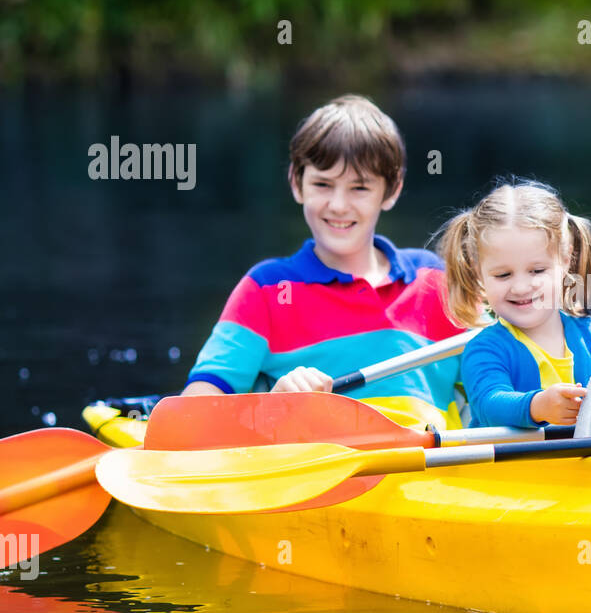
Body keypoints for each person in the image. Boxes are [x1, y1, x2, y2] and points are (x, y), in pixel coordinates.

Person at [181, 95, 465, 430]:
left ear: (392, 190)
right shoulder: (265, 289)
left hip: (428, 472)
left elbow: (501, 376)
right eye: (322, 184)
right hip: (317, 472)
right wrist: (271, 408)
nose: (339, 205)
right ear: (296, 183)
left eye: (359, 188)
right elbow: (193, 411)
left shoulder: (434, 280)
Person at [438, 179, 591, 428]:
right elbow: (490, 404)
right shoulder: (484, 349)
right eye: (503, 275)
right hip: (512, 467)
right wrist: (537, 406)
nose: (521, 287)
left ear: (565, 261)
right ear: (479, 273)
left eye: (537, 270)